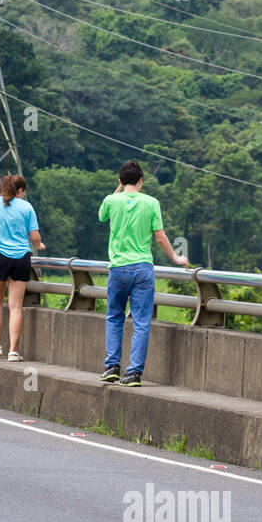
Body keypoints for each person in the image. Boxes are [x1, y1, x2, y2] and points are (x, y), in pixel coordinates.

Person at [97, 161, 188, 386]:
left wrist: (117, 190)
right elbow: (160, 237)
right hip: (143, 269)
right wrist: (176, 258)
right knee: (141, 321)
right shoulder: (151, 202)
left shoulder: (111, 200)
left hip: (118, 268)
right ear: (141, 181)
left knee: (114, 316)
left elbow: (101, 217)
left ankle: (111, 367)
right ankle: (134, 373)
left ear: (120, 181)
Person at [0, 175, 44, 361]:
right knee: (15, 306)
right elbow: (35, 236)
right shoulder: (26, 207)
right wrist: (39, 246)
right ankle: (13, 351)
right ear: (21, 190)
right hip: (21, 257)